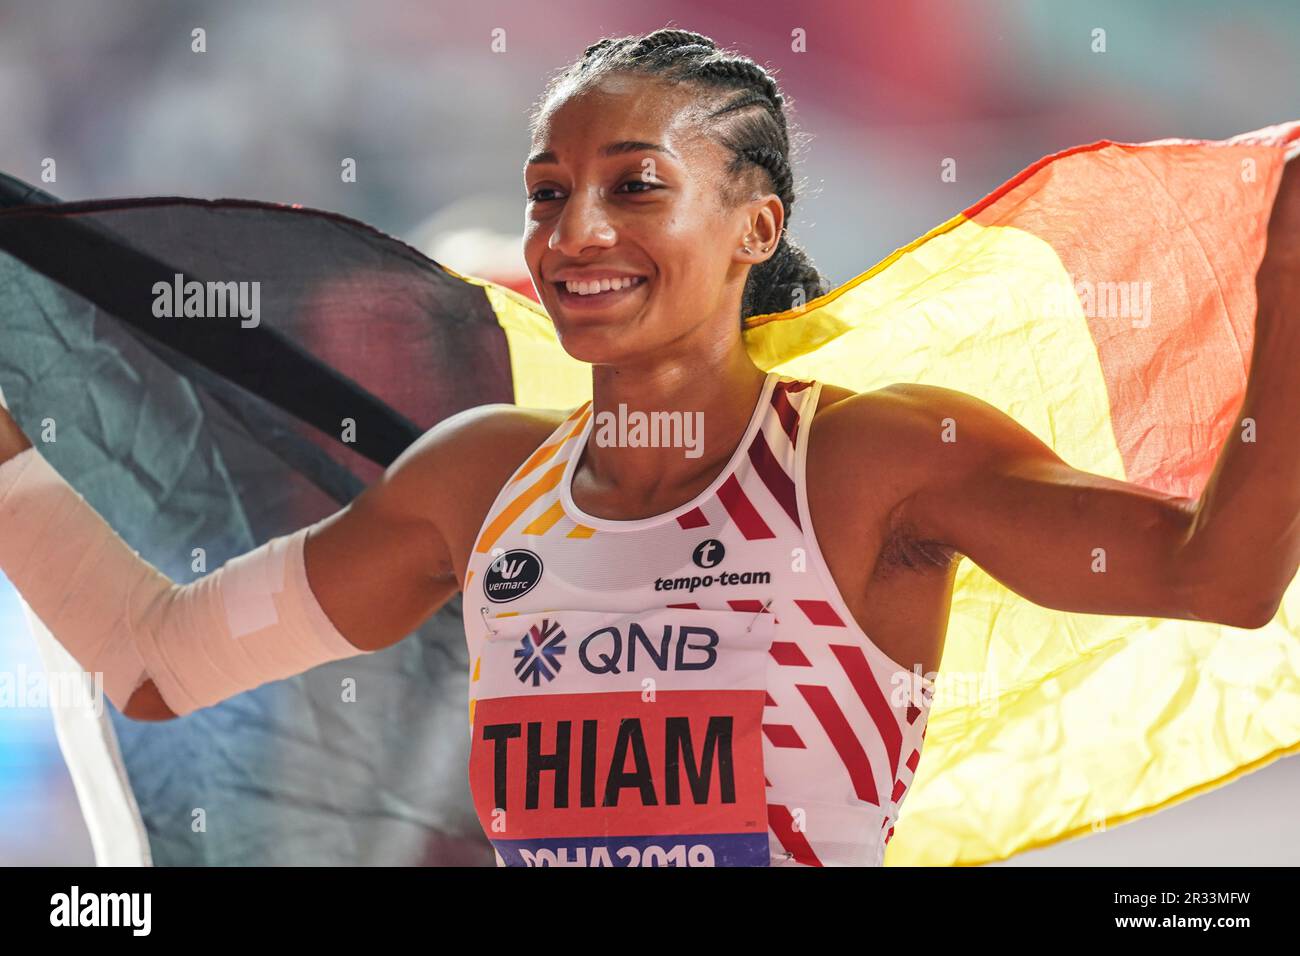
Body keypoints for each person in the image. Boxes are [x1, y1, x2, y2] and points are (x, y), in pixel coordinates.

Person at [1, 28, 1297, 866]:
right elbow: (156, 661)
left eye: (635, 187)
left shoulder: (875, 463)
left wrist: (1287, 275)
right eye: (550, 195)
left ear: (753, 225)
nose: (576, 234)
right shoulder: (481, 479)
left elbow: (1220, 580)